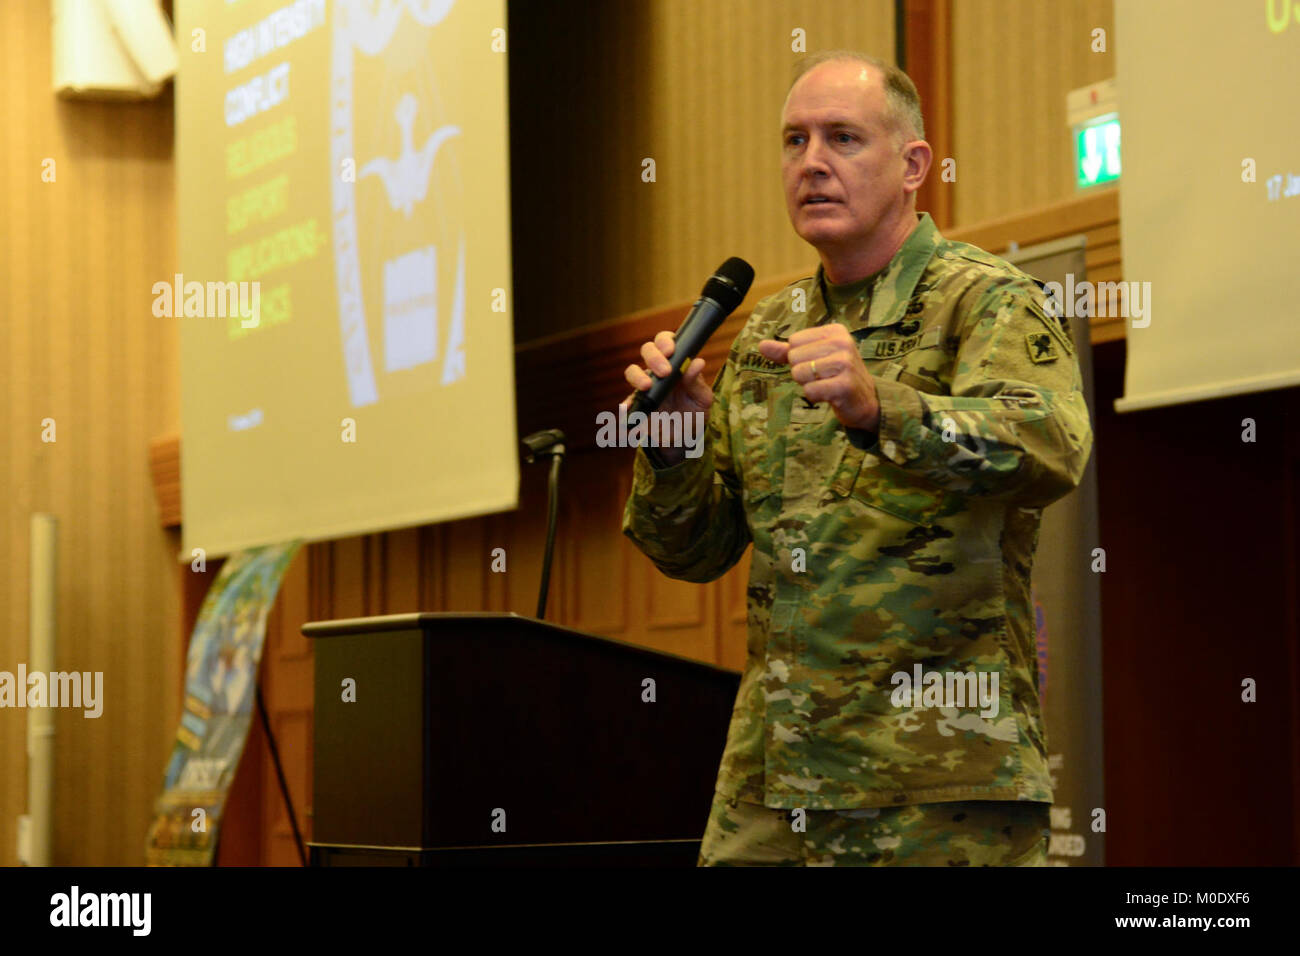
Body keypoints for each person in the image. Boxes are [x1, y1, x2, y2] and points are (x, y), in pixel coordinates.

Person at [620, 50, 1094, 866]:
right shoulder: (768, 329)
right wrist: (675, 444)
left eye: (843, 138)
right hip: (776, 779)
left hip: (939, 782)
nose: (812, 163)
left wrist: (885, 408)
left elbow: (1049, 448)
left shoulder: (984, 300)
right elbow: (695, 552)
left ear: (914, 165)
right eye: (794, 141)